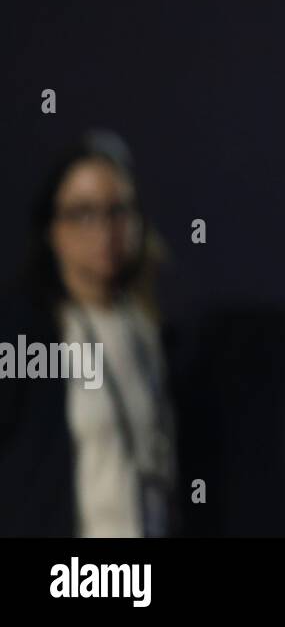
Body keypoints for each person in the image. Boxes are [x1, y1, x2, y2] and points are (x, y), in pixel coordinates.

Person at [0, 130, 176, 537]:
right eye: (83, 212)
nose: (104, 230)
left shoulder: (146, 328)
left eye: (118, 210)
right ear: (51, 228)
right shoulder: (24, 333)